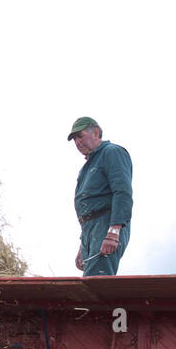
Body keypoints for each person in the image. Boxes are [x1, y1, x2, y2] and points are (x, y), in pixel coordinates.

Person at [67, 117, 132, 276]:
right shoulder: (87, 167)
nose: (77, 142)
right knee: (90, 279)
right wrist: (83, 246)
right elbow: (89, 210)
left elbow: (122, 192)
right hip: (91, 231)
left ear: (95, 132)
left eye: (80, 136)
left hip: (105, 225)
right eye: (74, 139)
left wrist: (114, 232)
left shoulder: (112, 152)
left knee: (97, 281)